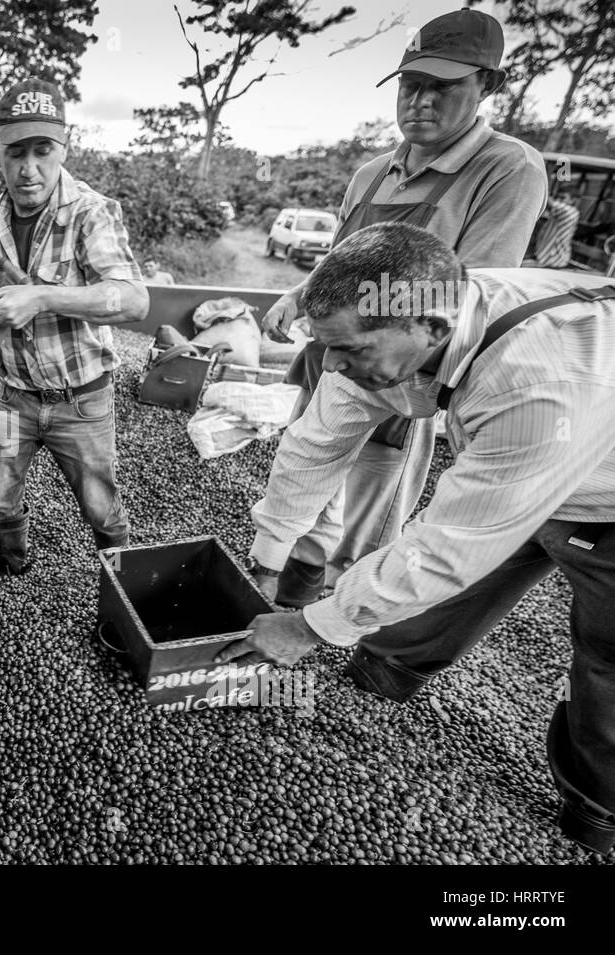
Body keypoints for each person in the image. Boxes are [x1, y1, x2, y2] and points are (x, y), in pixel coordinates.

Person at [224, 221, 615, 854]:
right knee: (447, 581)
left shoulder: (536, 384)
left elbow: (449, 550)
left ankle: (596, 808)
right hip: (521, 460)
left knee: (607, 655)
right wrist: (267, 562)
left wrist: (307, 628)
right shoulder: (384, 320)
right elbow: (314, 446)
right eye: (327, 348)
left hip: (606, 494)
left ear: (432, 329)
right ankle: (387, 669)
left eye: (350, 351)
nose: (333, 365)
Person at [255, 7, 548, 607]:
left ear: (486, 86)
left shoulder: (508, 168)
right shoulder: (370, 173)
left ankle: (351, 610)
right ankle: (287, 584)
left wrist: (381, 348)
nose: (420, 102)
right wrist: (300, 295)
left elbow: (474, 291)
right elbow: (340, 262)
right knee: (307, 463)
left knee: (376, 495)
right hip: (341, 353)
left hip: (410, 368)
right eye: (412, 85)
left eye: (443, 88)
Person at [0, 78, 149, 576]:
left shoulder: (91, 213)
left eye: (43, 151)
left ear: (64, 146)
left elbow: (132, 300)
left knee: (100, 507)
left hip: (83, 401)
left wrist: (42, 296)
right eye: (15, 153)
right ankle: (12, 574)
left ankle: (122, 584)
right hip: (13, 397)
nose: (29, 170)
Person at [532, 189, 582, 269]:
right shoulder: (558, 213)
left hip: (554, 261)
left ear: (573, 200)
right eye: (557, 197)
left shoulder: (570, 212)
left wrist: (543, 188)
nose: (558, 200)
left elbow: (550, 203)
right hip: (546, 258)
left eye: (562, 198)